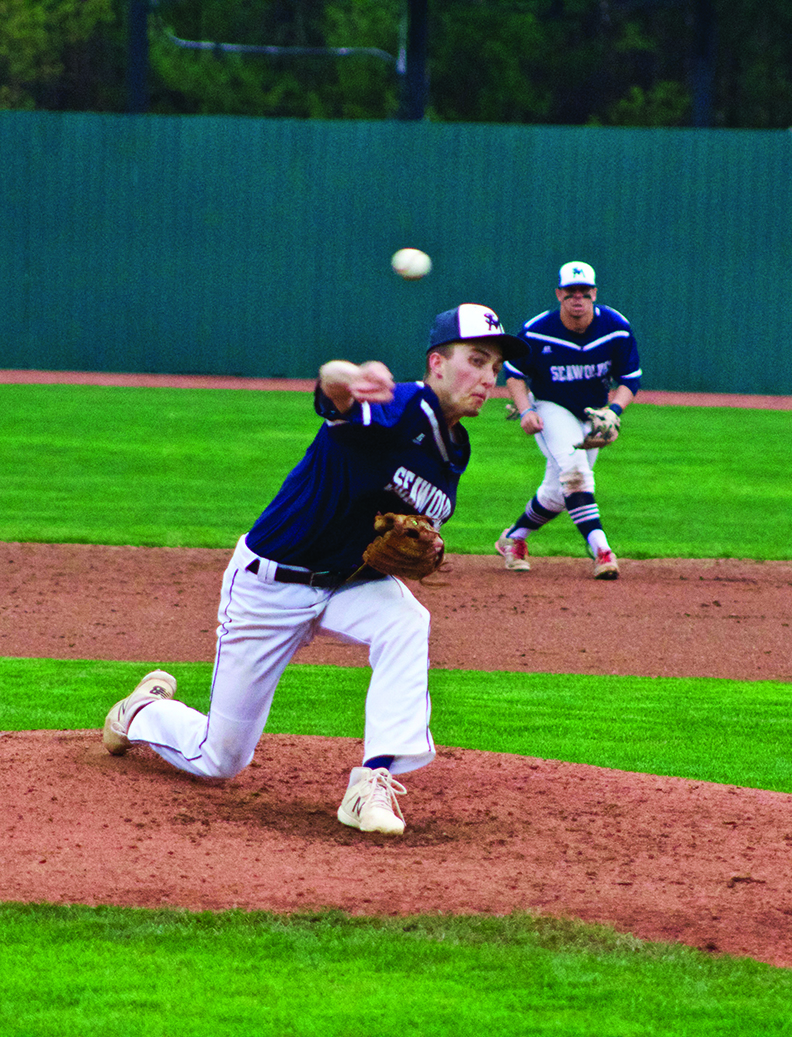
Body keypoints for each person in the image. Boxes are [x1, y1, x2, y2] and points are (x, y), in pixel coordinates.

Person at [102, 304, 524, 835]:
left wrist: (431, 549)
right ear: (437, 363)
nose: (488, 378)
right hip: (269, 586)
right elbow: (335, 393)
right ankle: (140, 712)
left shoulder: (453, 449)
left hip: (348, 583)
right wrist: (349, 375)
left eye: (495, 367)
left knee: (406, 622)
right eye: (476, 360)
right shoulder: (399, 406)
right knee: (222, 760)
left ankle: (372, 781)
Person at [496, 261, 642, 579]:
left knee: (556, 492)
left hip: (592, 415)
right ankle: (602, 550)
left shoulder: (616, 327)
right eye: (571, 292)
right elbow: (516, 374)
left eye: (584, 292)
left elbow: (629, 380)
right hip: (551, 408)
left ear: (594, 293)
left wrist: (613, 411)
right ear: (559, 294)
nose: (578, 297)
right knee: (576, 473)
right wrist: (526, 410)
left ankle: (514, 538)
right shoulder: (537, 329)